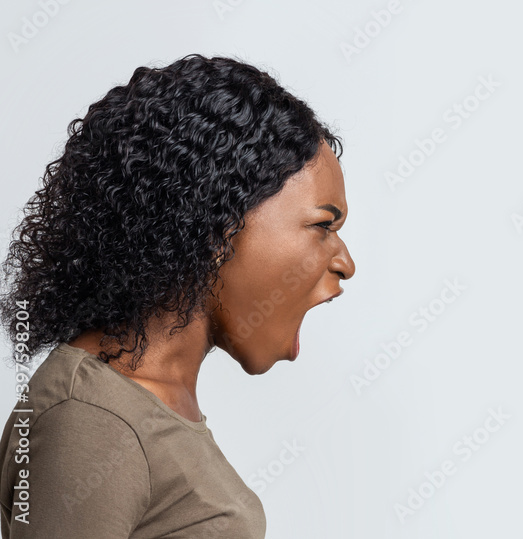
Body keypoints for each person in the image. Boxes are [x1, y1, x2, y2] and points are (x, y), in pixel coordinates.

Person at [0, 53, 355, 538]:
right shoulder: (91, 420)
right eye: (322, 225)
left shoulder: (148, 399)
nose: (345, 263)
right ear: (218, 229)